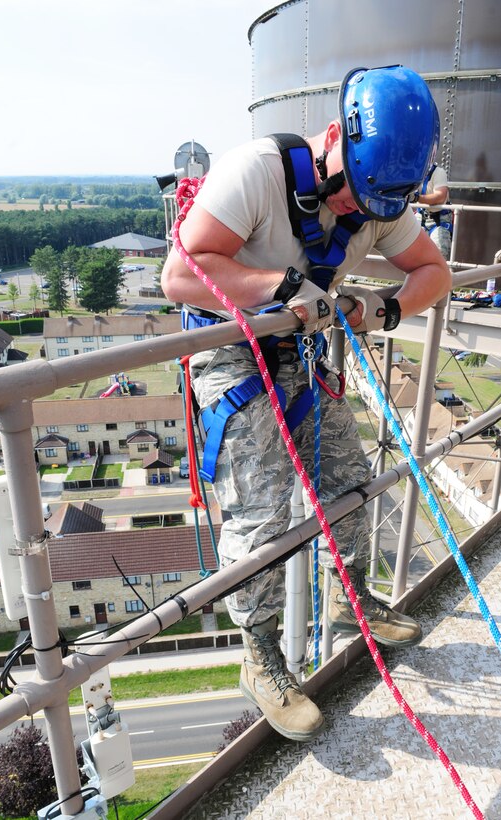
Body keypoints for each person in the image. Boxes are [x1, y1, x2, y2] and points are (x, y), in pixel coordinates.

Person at [162, 65, 452, 742]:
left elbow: (432, 271)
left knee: (349, 476)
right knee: (261, 508)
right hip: (232, 349)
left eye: (372, 208)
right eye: (351, 196)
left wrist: (380, 308)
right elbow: (181, 273)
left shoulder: (378, 199)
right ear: (332, 138)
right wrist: (281, 288)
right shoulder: (256, 173)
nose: (355, 214)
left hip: (301, 347)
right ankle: (259, 655)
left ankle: (351, 600)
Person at [412, 163, 453, 260]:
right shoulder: (415, 172)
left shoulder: (439, 172)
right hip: (421, 216)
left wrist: (416, 198)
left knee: (439, 256)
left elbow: (440, 197)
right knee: (413, 254)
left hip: (439, 220)